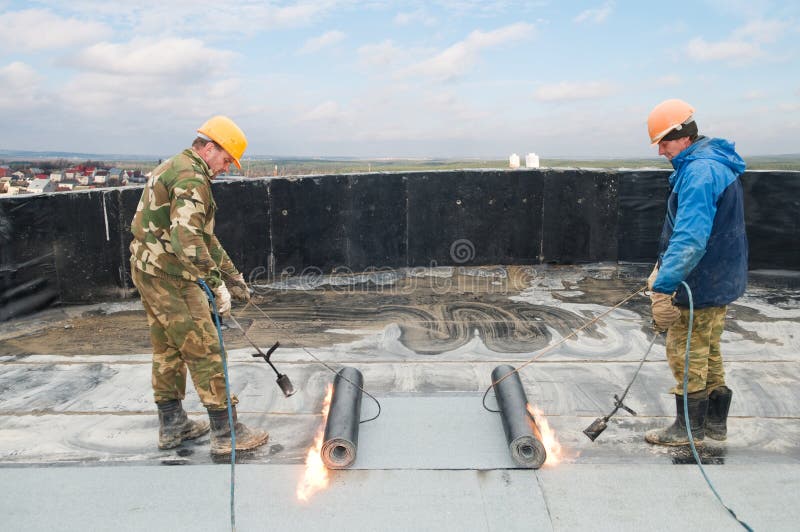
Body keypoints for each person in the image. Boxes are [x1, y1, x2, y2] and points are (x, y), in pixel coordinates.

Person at [129, 115, 269, 456]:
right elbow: (188, 241)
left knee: (168, 348)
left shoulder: (176, 166)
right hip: (172, 278)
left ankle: (173, 425)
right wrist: (215, 284)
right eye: (226, 160)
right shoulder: (193, 179)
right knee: (205, 349)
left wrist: (233, 277)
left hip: (148, 270)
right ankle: (226, 432)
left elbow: (204, 236)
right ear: (209, 148)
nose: (225, 168)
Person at [645, 98, 747, 446]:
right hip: (718, 277)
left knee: (686, 351)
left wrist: (663, 286)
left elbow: (689, 239)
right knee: (708, 349)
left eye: (665, 142)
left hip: (699, 281)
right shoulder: (712, 163)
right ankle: (715, 425)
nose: (661, 151)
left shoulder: (700, 173)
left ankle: (687, 430)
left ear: (685, 137)